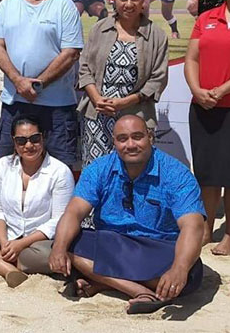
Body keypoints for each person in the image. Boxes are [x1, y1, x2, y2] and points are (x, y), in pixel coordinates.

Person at [49, 115, 206, 315]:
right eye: (122, 139)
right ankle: (138, 290)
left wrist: (179, 268)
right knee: (65, 244)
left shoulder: (177, 174)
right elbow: (74, 212)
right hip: (113, 244)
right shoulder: (99, 168)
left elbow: (193, 226)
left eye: (137, 137)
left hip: (156, 248)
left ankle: (102, 282)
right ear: (114, 142)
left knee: (190, 274)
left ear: (150, 137)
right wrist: (59, 248)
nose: (130, 145)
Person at [0, 0, 84, 168]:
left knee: (60, 171)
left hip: (57, 106)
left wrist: (38, 84)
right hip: (15, 102)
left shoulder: (65, 6)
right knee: (9, 167)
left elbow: (71, 53)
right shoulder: (7, 5)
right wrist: (18, 81)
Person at [0, 115, 73, 288]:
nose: (29, 145)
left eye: (35, 139)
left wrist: (21, 244)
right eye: (21, 141)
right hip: (8, 235)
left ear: (43, 138)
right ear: (14, 142)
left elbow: (59, 220)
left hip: (41, 241)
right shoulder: (2, 166)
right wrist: (4, 242)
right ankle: (9, 269)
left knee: (49, 255)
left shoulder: (60, 172)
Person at [185, 0, 230, 256]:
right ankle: (207, 229)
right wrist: (196, 90)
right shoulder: (206, 17)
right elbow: (192, 59)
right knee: (206, 173)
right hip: (203, 107)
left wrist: (222, 91)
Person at [78, 0, 169, 166]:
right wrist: (96, 98)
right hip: (98, 116)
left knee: (135, 173)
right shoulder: (99, 29)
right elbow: (84, 68)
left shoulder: (157, 36)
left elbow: (158, 79)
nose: (128, 4)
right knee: (98, 173)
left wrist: (124, 103)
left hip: (137, 118)